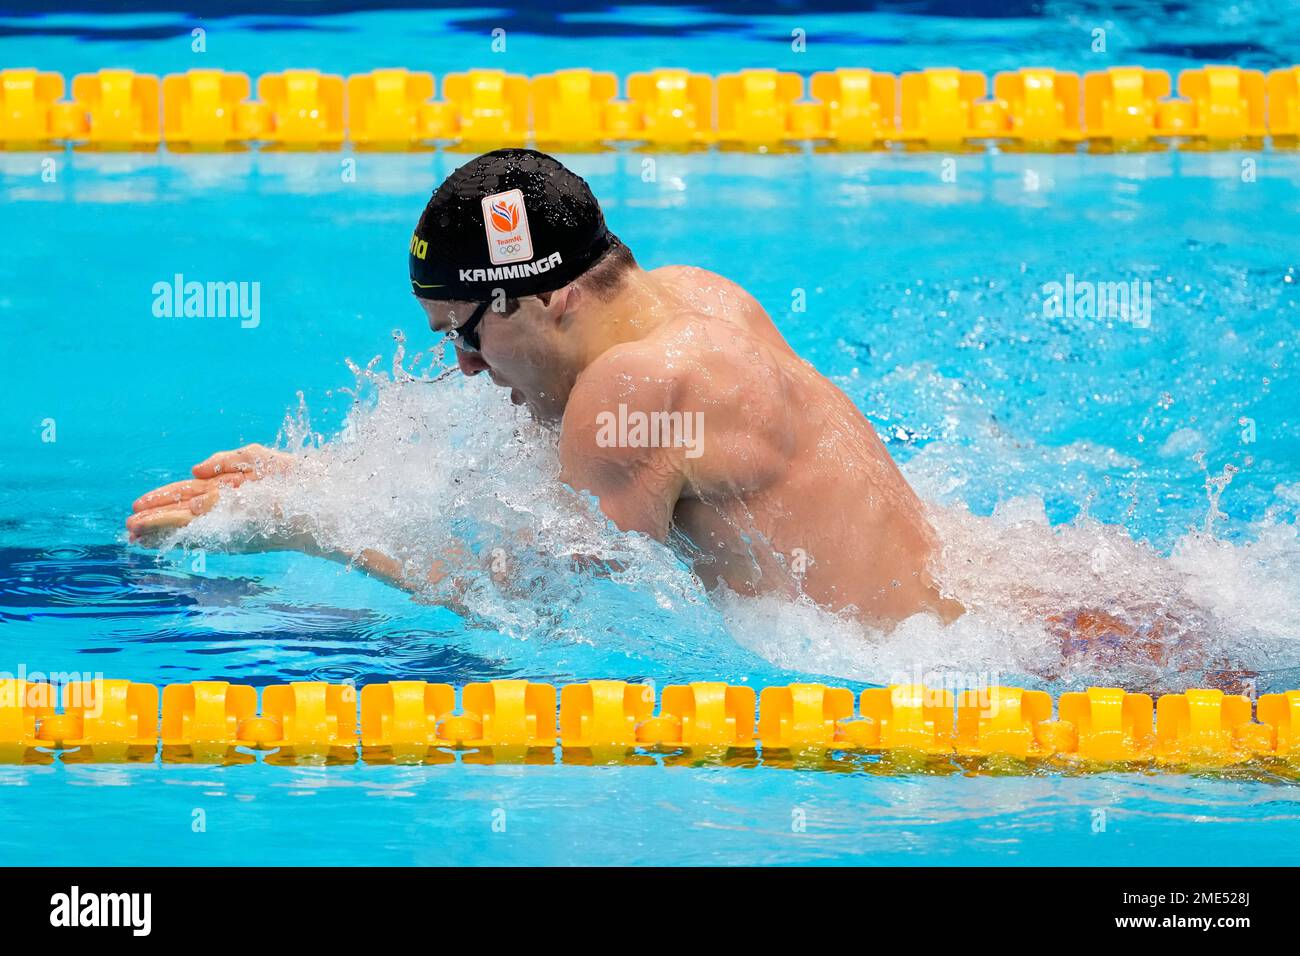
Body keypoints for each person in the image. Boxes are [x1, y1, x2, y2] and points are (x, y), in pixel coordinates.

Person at [128, 148, 962, 627]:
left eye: (468, 330)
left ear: (549, 296)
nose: (463, 364)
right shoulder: (695, 294)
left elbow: (537, 611)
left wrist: (314, 524)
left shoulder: (633, 389)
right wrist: (336, 484)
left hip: (910, 692)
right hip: (963, 611)